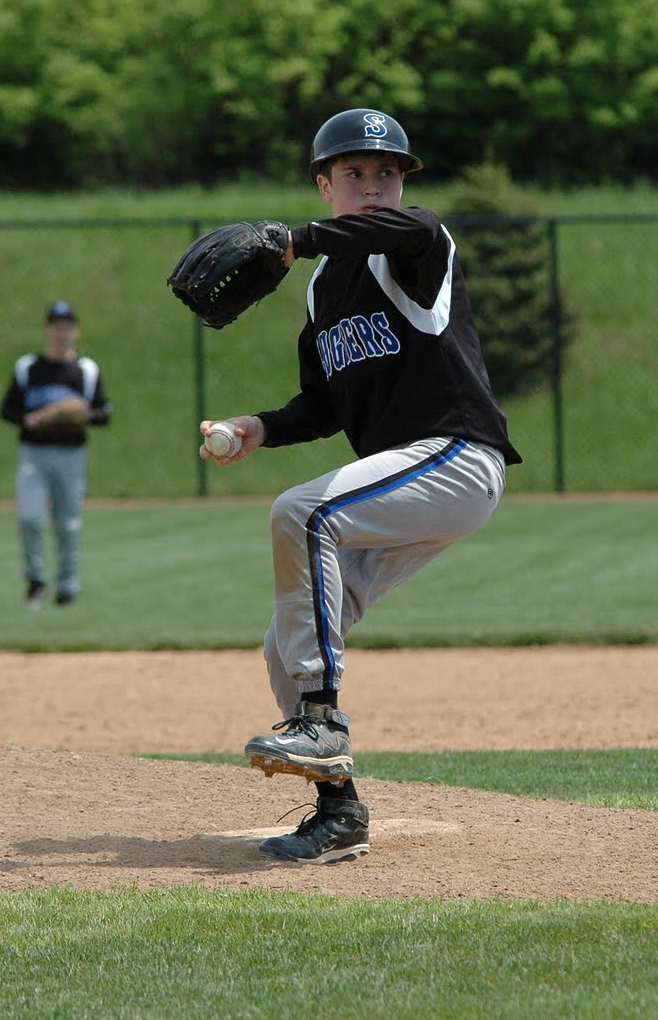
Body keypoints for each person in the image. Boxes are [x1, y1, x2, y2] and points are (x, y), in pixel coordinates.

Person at [201, 108, 523, 864]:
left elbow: (397, 231)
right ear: (324, 183)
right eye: (355, 174)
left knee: (303, 514)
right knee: (287, 644)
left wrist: (293, 239)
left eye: (388, 172)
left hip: (455, 453)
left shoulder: (418, 241)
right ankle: (338, 813)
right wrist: (260, 427)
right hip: (402, 484)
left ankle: (321, 724)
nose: (375, 186)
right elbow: (325, 403)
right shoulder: (321, 294)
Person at [0, 300, 112, 609]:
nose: (62, 332)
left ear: (75, 331)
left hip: (71, 455)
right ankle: (36, 583)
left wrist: (81, 414)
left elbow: (105, 413)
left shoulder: (86, 371)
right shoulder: (29, 368)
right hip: (34, 454)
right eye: (57, 326)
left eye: (67, 327)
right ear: (48, 330)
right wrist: (31, 419)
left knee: (68, 524)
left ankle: (66, 588)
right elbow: (6, 409)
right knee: (29, 518)